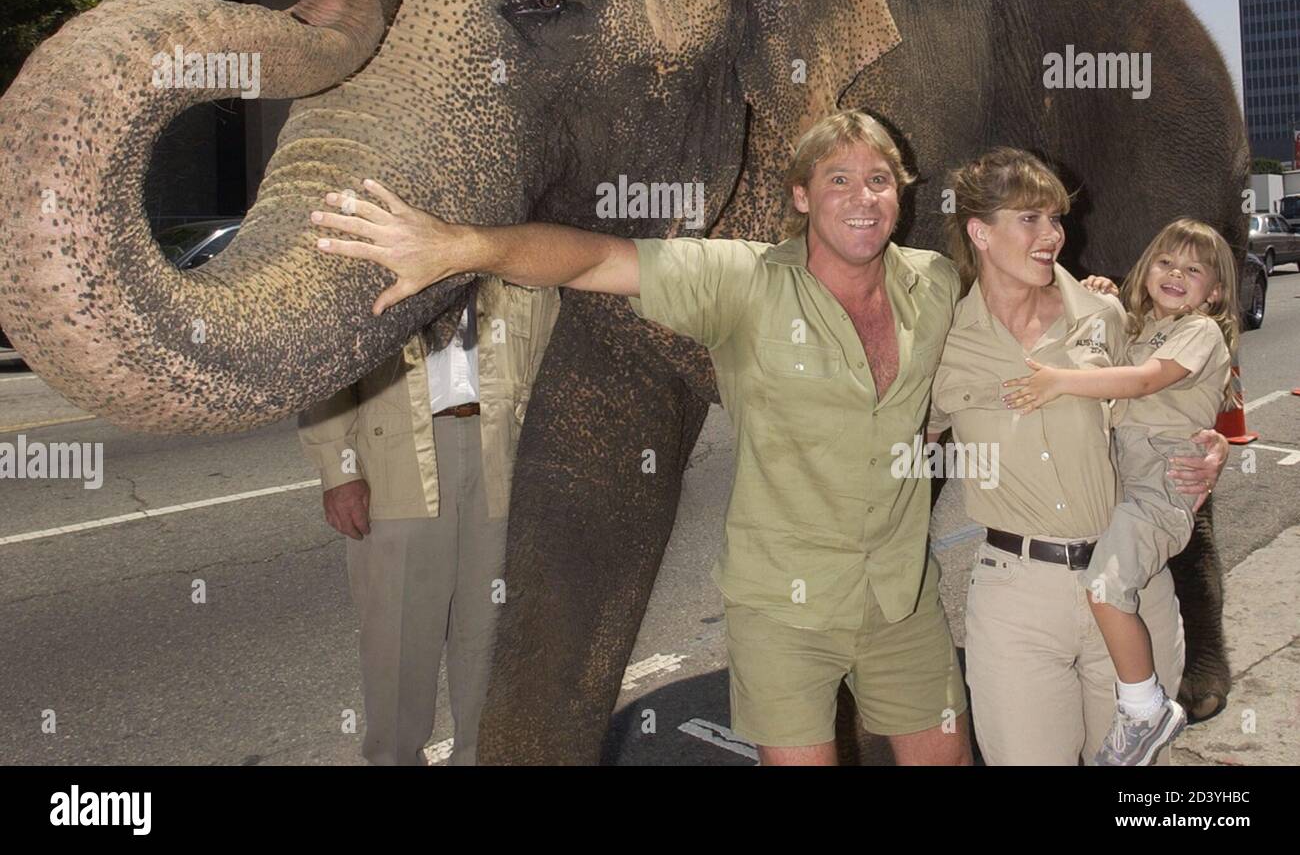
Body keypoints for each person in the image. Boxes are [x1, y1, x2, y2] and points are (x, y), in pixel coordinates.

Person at [308, 111, 971, 766]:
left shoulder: (933, 284)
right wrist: (463, 246)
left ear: (902, 190)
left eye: (879, 179)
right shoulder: (744, 282)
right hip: (786, 610)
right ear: (802, 195)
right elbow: (595, 259)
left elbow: (1000, 329)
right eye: (840, 180)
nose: (863, 198)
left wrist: (1076, 299)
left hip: (901, 596)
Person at [927, 149, 1228, 766]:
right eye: (1030, 219)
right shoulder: (944, 336)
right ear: (980, 232)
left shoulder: (1107, 314)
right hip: (1016, 596)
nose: (1052, 236)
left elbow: (1160, 399)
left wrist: (1212, 443)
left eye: (1056, 219)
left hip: (1129, 583)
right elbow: (910, 444)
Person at [1001, 218, 1235, 765]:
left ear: (1216, 291)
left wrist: (1058, 382)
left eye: (1193, 270)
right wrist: (1098, 294)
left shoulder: (1199, 331)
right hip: (1129, 473)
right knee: (1107, 582)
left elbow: (1145, 380)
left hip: (1160, 477)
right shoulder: (1142, 324)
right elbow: (1109, 345)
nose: (1176, 275)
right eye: (1165, 263)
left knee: (1106, 587)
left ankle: (1143, 706)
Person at [299, 274, 559, 765]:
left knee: (491, 641)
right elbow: (327, 367)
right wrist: (339, 469)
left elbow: (551, 359)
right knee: (397, 645)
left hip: (502, 452)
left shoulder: (517, 251)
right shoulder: (374, 258)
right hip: (396, 459)